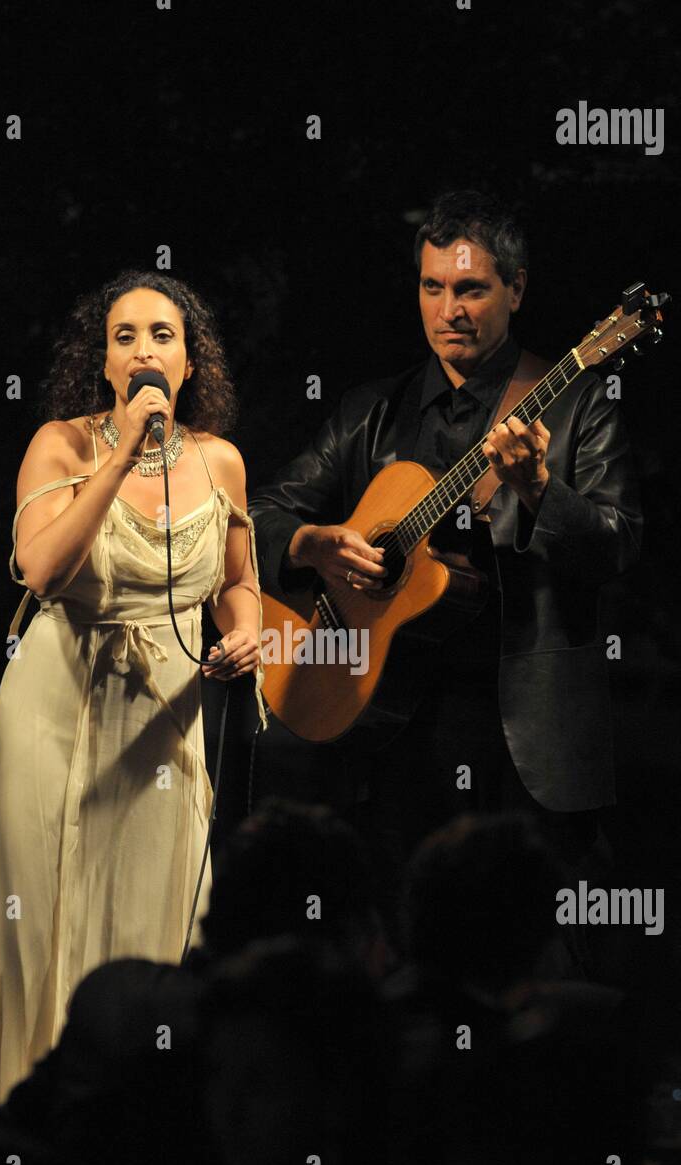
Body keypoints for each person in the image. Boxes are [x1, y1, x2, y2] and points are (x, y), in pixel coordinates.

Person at [249, 188, 642, 908]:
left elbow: (616, 548)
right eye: (432, 287)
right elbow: (260, 515)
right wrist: (311, 545)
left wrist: (536, 492)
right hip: (384, 734)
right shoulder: (371, 411)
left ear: (515, 289)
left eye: (470, 289)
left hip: (526, 741)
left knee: (528, 956)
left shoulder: (577, 401)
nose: (448, 309)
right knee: (400, 950)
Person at [0, 270, 267, 1112]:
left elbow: (239, 583)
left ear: (190, 363)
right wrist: (119, 453)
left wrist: (246, 627)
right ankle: (6, 1124)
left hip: (165, 720)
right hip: (55, 702)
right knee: (31, 920)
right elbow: (43, 570)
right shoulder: (61, 444)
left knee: (147, 922)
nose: (144, 350)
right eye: (125, 337)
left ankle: (127, 1128)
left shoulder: (219, 460)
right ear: (104, 361)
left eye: (162, 335)